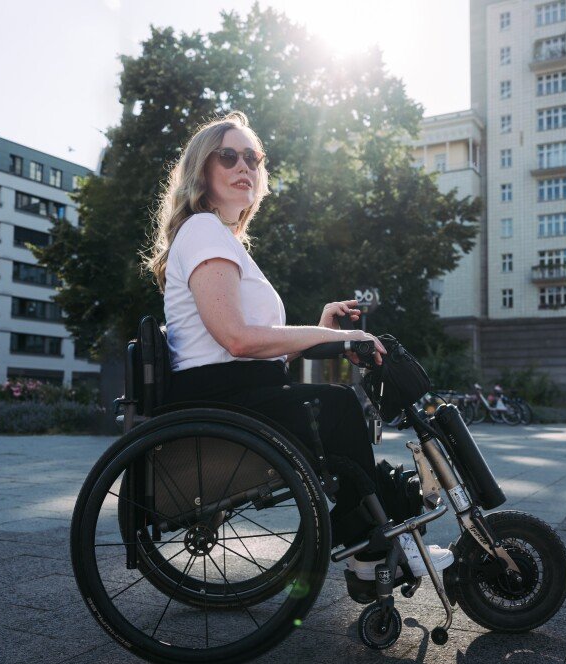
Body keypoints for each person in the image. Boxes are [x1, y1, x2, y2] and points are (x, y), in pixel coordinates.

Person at [142, 111, 453, 581]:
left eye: (253, 157)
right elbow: (237, 339)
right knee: (340, 408)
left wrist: (317, 328)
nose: (244, 166)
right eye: (229, 156)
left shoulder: (219, 237)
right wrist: (338, 336)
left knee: (338, 414)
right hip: (218, 397)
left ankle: (376, 535)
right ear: (202, 169)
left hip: (231, 388)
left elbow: (243, 349)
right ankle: (371, 549)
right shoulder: (204, 232)